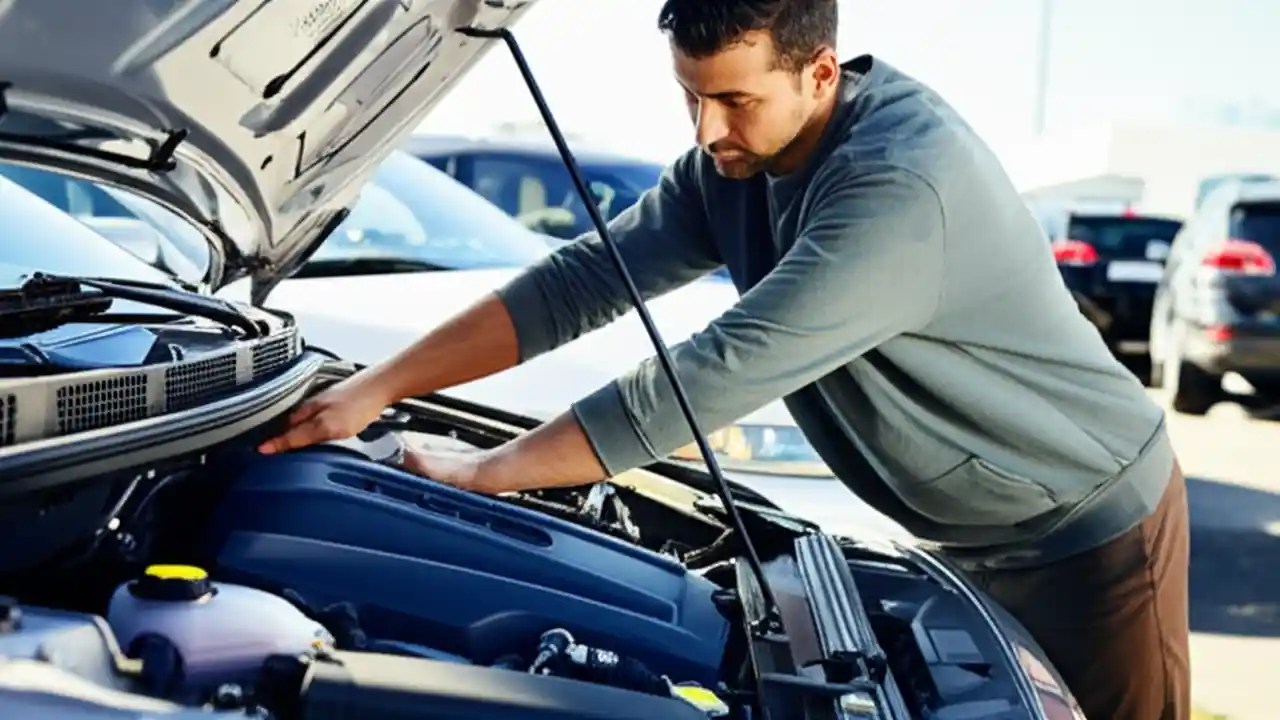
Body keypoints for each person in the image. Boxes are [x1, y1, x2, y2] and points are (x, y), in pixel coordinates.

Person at [259, 1, 1190, 717]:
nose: (707, 132)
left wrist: (488, 473)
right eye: (691, 96)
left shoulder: (901, 190)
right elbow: (581, 282)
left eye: (735, 100)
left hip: (1092, 528)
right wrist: (377, 387)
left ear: (819, 74)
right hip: (971, 532)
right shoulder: (735, 162)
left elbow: (710, 375)